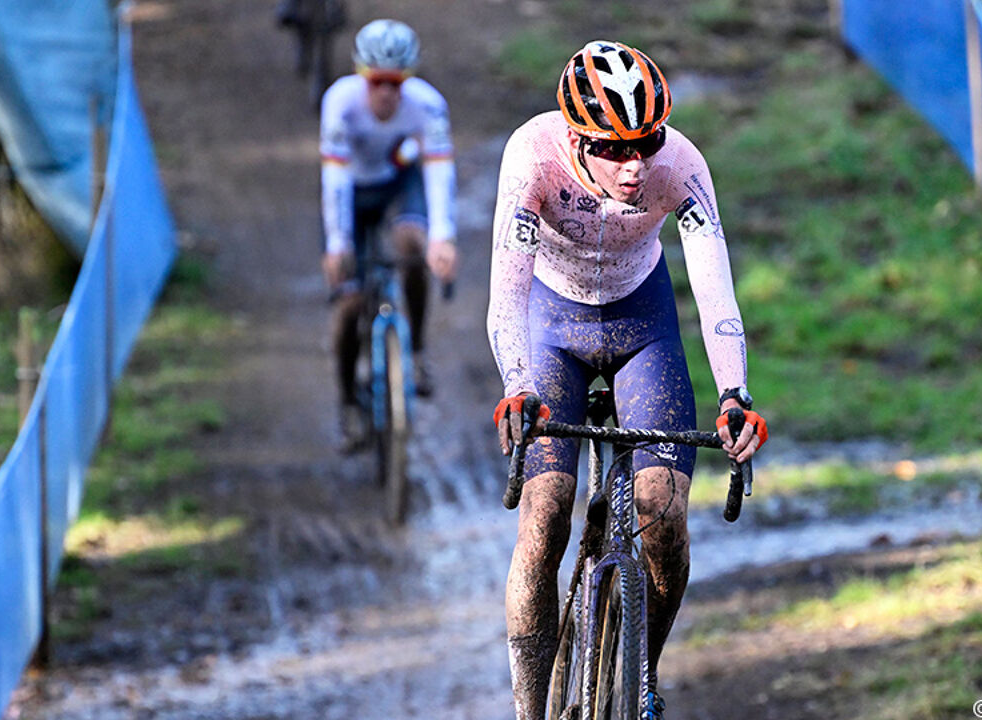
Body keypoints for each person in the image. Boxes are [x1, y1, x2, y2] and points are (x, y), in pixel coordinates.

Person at [487, 41, 769, 719]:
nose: (635, 164)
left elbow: (716, 291)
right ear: (577, 140)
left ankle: (639, 673)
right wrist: (519, 383)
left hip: (643, 326)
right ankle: (530, 710)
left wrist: (735, 393)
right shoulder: (533, 157)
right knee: (546, 516)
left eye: (646, 142)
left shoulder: (682, 166)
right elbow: (506, 294)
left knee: (664, 515)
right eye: (614, 149)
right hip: (553, 330)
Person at [320, 19, 459, 451]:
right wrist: (338, 244)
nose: (387, 93)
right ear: (362, 75)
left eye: (397, 83)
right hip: (354, 191)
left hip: (400, 182)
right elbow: (336, 182)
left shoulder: (427, 105)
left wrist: (443, 238)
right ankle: (346, 405)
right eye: (377, 82)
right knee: (348, 305)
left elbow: (439, 173)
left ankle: (415, 351)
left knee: (411, 246)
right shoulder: (340, 102)